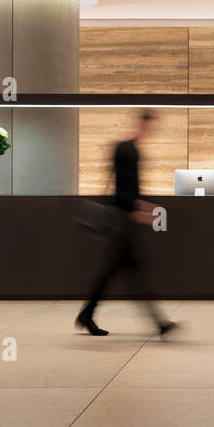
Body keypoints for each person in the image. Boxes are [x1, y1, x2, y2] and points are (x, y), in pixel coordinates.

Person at [75, 112, 177, 338]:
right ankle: (159, 324)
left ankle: (87, 314)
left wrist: (146, 209)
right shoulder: (127, 150)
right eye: (149, 127)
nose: (150, 132)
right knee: (133, 274)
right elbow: (125, 191)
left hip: (122, 221)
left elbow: (128, 189)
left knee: (114, 273)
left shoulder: (129, 149)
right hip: (122, 224)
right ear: (141, 124)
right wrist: (140, 213)